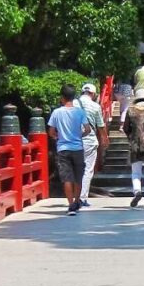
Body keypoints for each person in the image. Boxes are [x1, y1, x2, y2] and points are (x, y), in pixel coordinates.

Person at [47, 83, 89, 214]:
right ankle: (77, 201)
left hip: (63, 148)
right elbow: (87, 129)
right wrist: (79, 135)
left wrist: (57, 137)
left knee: (67, 178)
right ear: (73, 97)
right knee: (78, 177)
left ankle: (70, 205)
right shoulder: (79, 112)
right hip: (77, 147)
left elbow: (51, 131)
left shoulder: (56, 112)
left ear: (62, 98)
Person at [78, 80, 107, 207]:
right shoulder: (95, 106)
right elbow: (100, 125)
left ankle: (73, 196)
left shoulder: (73, 104)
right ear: (93, 94)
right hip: (89, 140)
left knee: (75, 169)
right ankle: (82, 197)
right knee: (87, 170)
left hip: (72, 140)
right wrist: (105, 138)